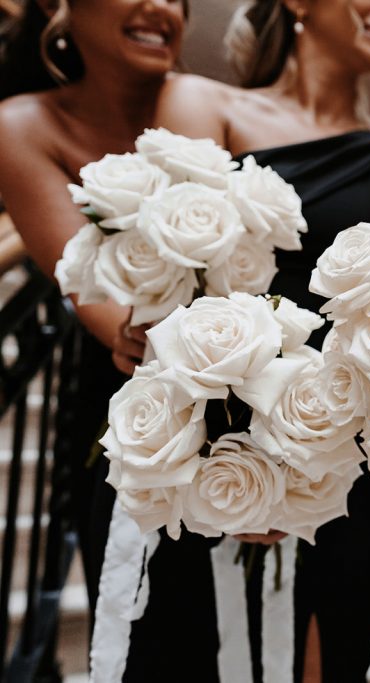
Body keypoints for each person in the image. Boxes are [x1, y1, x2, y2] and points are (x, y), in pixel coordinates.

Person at [152, 0, 370, 680]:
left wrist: (304, 465)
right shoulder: (198, 103)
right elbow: (174, 293)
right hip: (215, 450)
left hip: (342, 465)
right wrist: (238, 454)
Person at [0, 0, 187, 624]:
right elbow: (103, 304)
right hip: (122, 401)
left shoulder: (211, 110)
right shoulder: (22, 126)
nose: (162, 7)